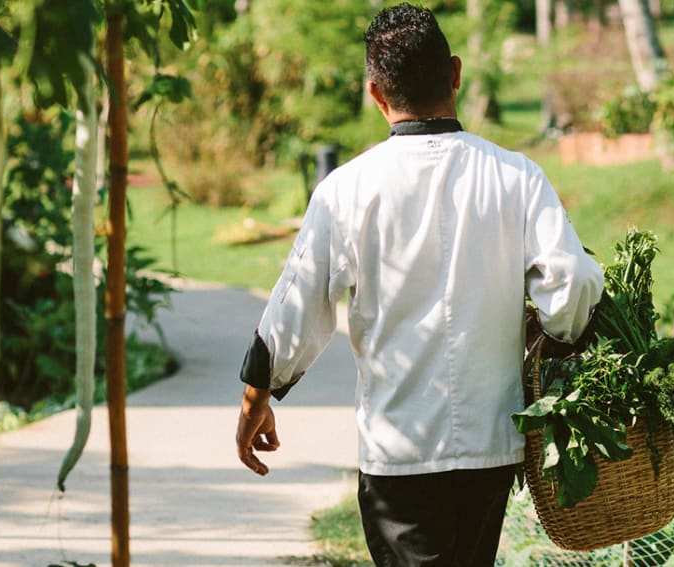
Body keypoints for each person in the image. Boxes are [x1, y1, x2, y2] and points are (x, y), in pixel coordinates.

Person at [234, 4, 604, 565]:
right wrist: (559, 332)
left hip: (398, 451)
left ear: (376, 94)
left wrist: (257, 392)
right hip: (490, 444)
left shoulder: (346, 190)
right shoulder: (517, 176)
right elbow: (573, 280)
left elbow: (299, 303)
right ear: (455, 74)